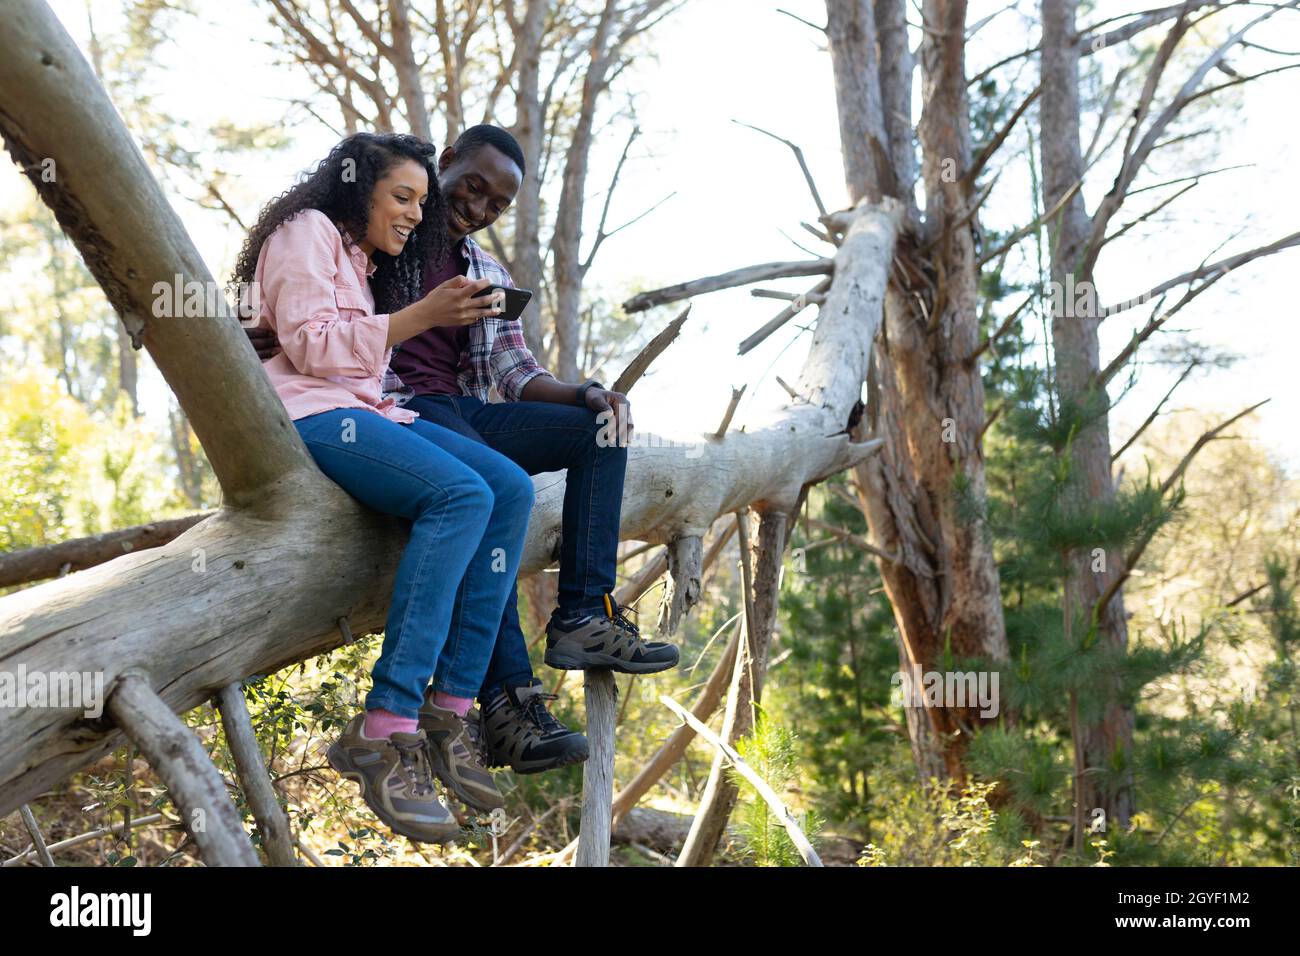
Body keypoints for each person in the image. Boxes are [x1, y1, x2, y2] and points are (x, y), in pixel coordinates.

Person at [248, 125, 680, 778]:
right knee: (487, 487)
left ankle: (584, 615)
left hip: (457, 407)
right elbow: (308, 317)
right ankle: (505, 701)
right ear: (444, 164)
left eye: (495, 205)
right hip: (392, 409)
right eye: (471, 187)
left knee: (597, 431)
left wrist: (583, 392)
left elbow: (514, 371)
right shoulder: (377, 237)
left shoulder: (485, 271)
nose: (476, 208)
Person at [233, 131, 532, 843]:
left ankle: (449, 711)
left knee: (510, 490)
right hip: (309, 417)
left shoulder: (362, 258)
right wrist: (416, 319)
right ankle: (384, 726)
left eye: (420, 202)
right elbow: (309, 347)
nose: (413, 213)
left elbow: (362, 365)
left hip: (365, 414)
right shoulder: (304, 232)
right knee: (460, 496)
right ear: (355, 187)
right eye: (402, 197)